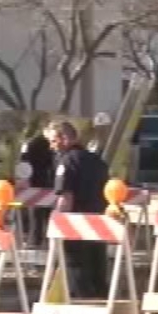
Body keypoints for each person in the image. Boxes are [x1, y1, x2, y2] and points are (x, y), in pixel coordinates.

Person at [47, 119, 110, 298]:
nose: (51, 147)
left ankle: (82, 306)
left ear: (65, 138)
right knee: (98, 268)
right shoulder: (97, 161)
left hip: (76, 225)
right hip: (99, 223)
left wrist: (58, 222)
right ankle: (103, 307)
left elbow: (66, 197)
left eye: (53, 141)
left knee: (76, 268)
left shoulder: (67, 162)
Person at [21, 133, 55, 248]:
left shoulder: (27, 156)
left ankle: (34, 242)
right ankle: (48, 243)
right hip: (48, 187)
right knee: (48, 218)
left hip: (32, 188)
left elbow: (23, 171)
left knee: (34, 218)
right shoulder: (50, 155)